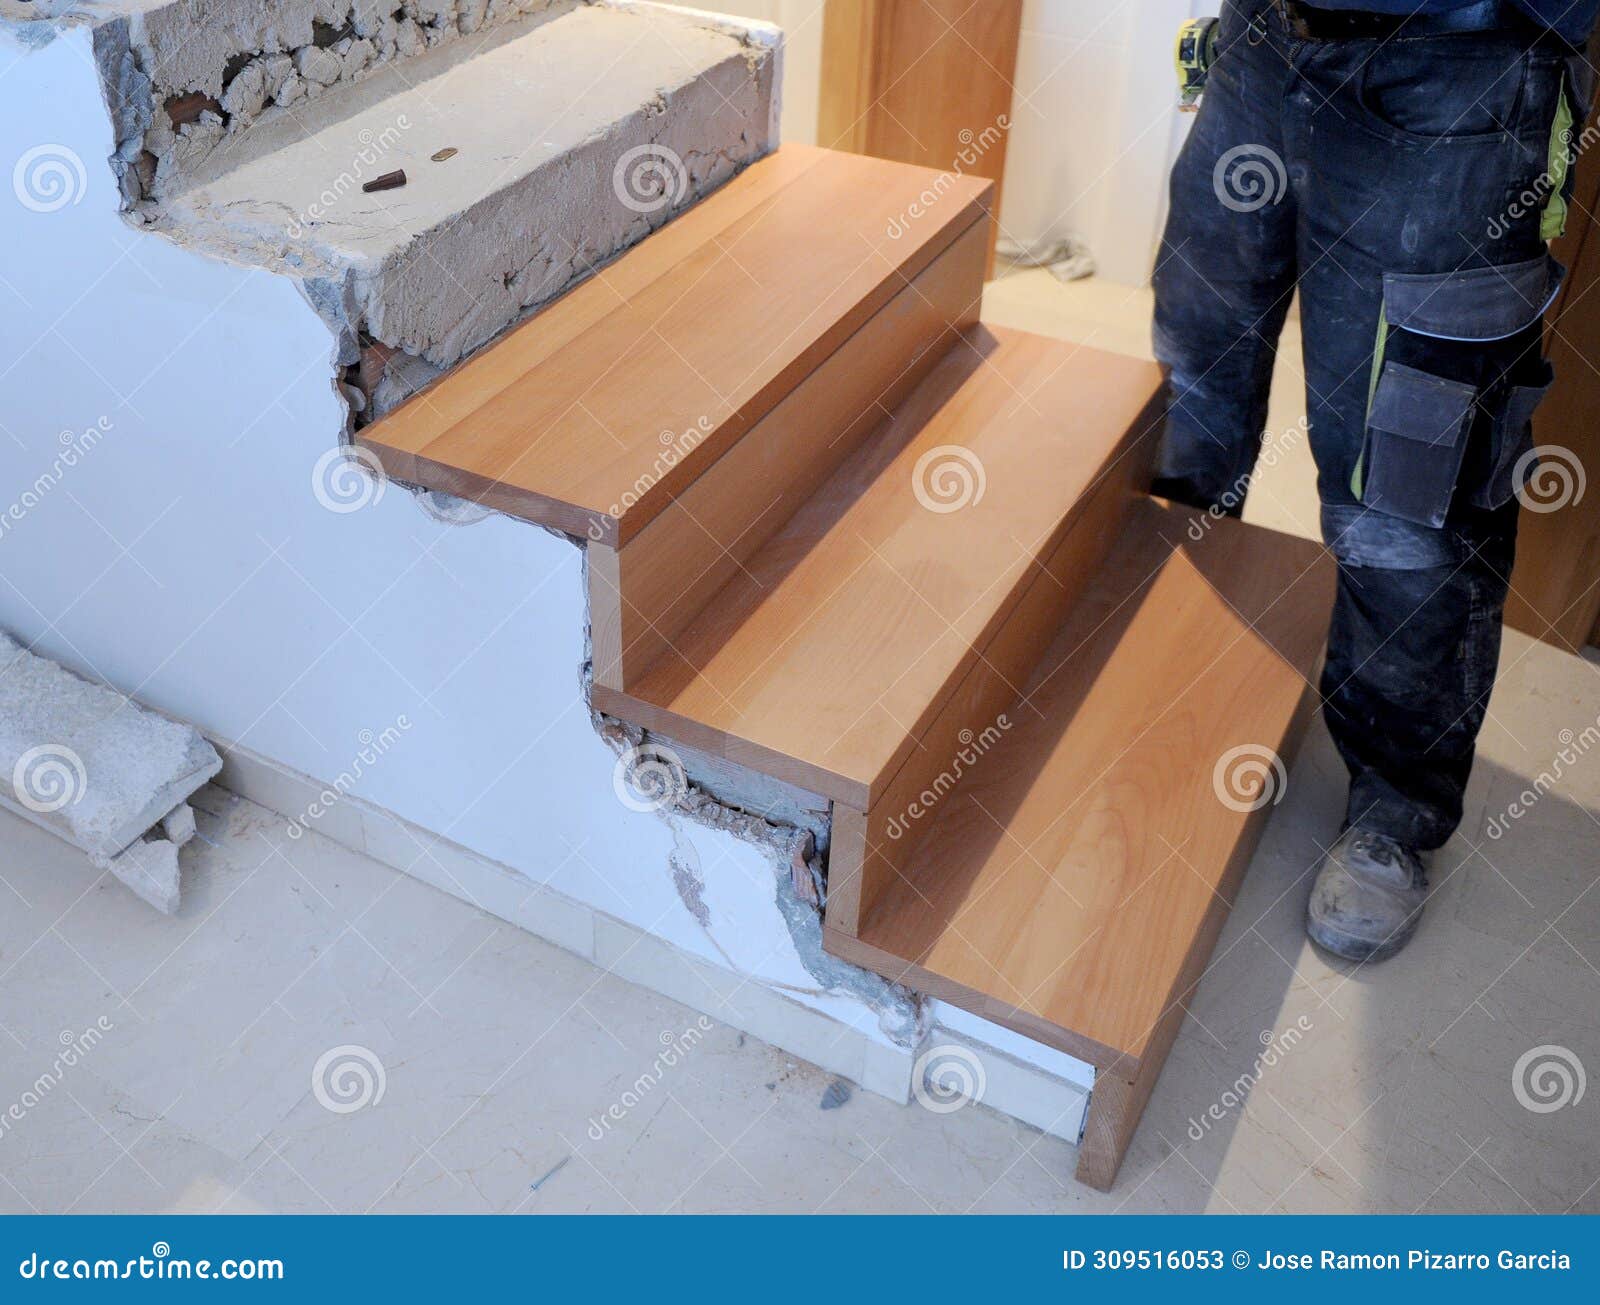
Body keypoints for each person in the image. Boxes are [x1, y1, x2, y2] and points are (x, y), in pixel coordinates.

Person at [1153, 0, 1597, 961]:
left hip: (1457, 68)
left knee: (1409, 479)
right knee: (1196, 371)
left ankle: (1396, 806)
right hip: (1261, 37)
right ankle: (1164, 651)